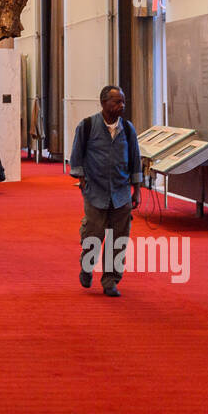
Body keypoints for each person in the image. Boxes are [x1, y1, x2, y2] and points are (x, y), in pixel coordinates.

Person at [69, 85, 142, 298]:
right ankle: (87, 265)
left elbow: (135, 161)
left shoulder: (128, 129)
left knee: (118, 240)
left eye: (123, 101)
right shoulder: (87, 126)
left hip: (121, 193)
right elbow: (76, 156)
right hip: (95, 192)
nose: (122, 106)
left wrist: (136, 190)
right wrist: (83, 181)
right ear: (103, 103)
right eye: (117, 102)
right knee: (93, 234)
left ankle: (111, 281)